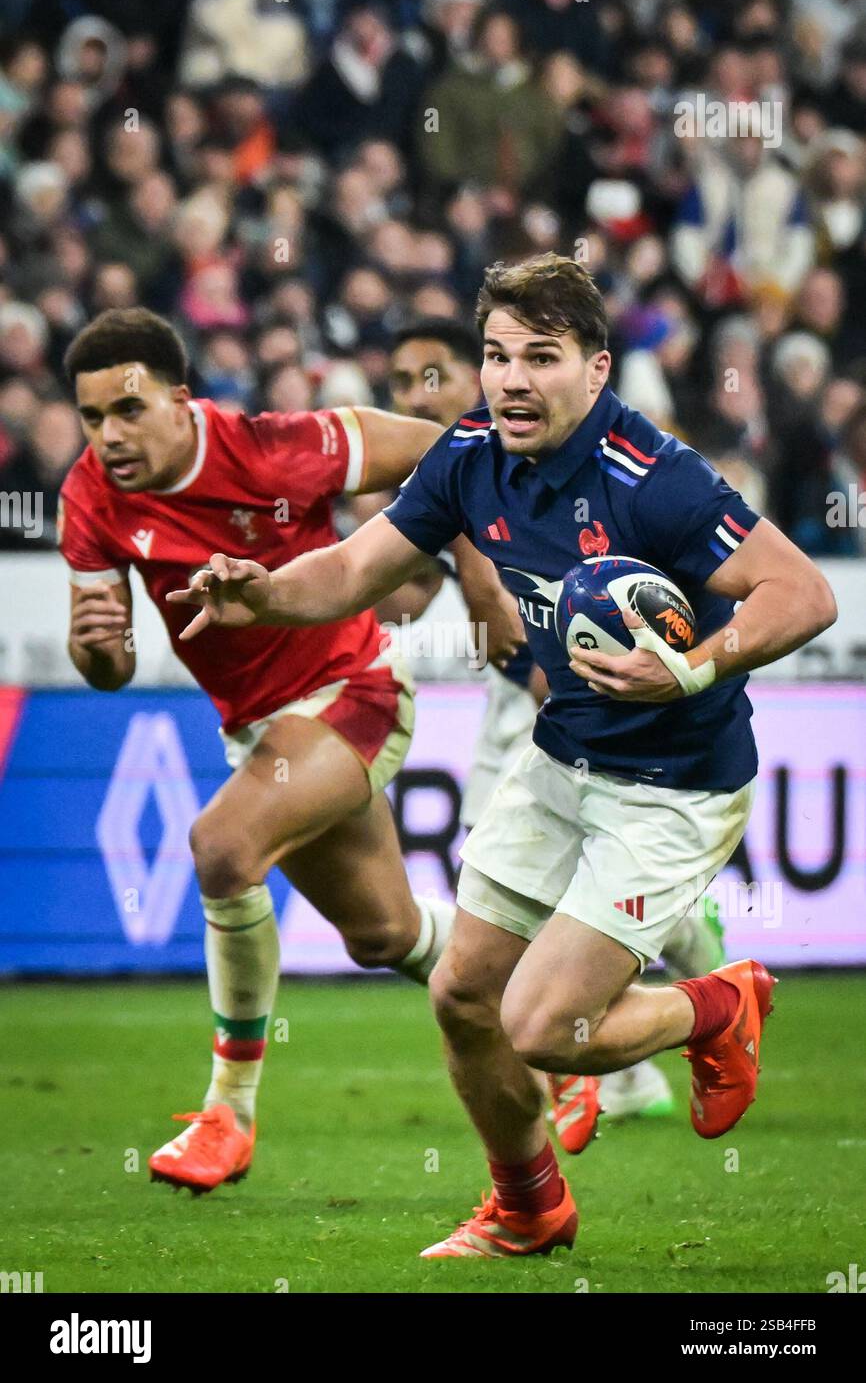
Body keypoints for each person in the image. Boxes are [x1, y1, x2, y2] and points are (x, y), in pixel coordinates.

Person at [168, 255, 836, 1258]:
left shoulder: (654, 481)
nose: (510, 379)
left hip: (673, 785)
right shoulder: (468, 453)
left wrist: (690, 669)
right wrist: (259, 591)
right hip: (561, 754)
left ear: (595, 368)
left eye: (540, 357)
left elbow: (802, 595)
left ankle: (715, 1004)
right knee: (462, 994)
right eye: (494, 356)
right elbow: (356, 568)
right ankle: (528, 1208)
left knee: (539, 1025)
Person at [59, 305, 522, 1196]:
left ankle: (227, 1109)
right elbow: (108, 668)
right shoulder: (89, 495)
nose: (108, 437)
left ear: (182, 402)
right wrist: (97, 647)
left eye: (128, 410)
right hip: (263, 730)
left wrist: (478, 573)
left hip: (355, 688)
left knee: (223, 847)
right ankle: (609, 1019)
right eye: (90, 418)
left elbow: (450, 448)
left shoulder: (274, 447)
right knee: (385, 933)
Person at [384, 317, 729, 1142]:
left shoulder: (576, 468)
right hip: (516, 713)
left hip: (578, 704)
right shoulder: (451, 471)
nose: (415, 395)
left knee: (568, 900)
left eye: (429, 375)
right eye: (400, 382)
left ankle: (685, 984)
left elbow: (559, 621)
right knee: (495, 897)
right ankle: (613, 1077)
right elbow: (397, 600)